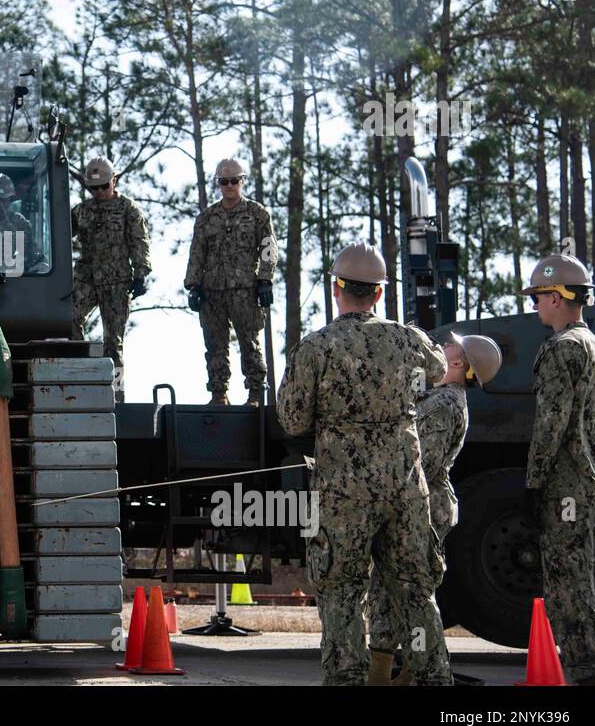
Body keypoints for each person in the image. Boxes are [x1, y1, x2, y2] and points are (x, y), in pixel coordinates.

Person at [277, 241, 451, 685]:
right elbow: (436, 372)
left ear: (337, 288)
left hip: (343, 492)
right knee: (415, 591)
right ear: (378, 293)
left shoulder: (315, 348)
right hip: (405, 487)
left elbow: (293, 418)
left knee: (341, 593)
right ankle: (433, 677)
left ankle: (348, 679)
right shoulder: (408, 339)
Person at [366, 332, 502, 685]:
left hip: (419, 508)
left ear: (459, 363)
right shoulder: (435, 396)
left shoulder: (445, 405)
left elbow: (420, 465)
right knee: (387, 588)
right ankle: (384, 675)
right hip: (410, 502)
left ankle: (418, 673)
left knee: (411, 593)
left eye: (450, 347)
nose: (443, 347)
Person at [519, 253, 595, 685]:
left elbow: (550, 426)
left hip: (568, 489)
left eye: (539, 296)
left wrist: (533, 482)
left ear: (558, 297)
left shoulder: (560, 350)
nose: (536, 305)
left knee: (570, 586)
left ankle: (588, 672)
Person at [184, 158, 276, 406]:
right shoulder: (206, 218)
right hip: (212, 291)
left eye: (234, 181)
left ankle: (255, 394)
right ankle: (218, 394)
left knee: (250, 343)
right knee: (215, 345)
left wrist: (265, 280)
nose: (229, 186)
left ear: (242, 181)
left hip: (245, 291)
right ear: (218, 184)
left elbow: (268, 249)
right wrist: (193, 286)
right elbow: (197, 253)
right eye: (224, 182)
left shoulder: (257, 214)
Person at [70, 156, 152, 401]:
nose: (99, 192)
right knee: (70, 319)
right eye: (93, 188)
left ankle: (116, 394)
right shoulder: (81, 210)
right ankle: (82, 375)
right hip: (87, 277)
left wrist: (141, 273)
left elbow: (139, 242)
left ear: (114, 181)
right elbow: (59, 236)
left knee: (113, 341)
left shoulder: (129, 209)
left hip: (117, 281)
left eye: (104, 186)